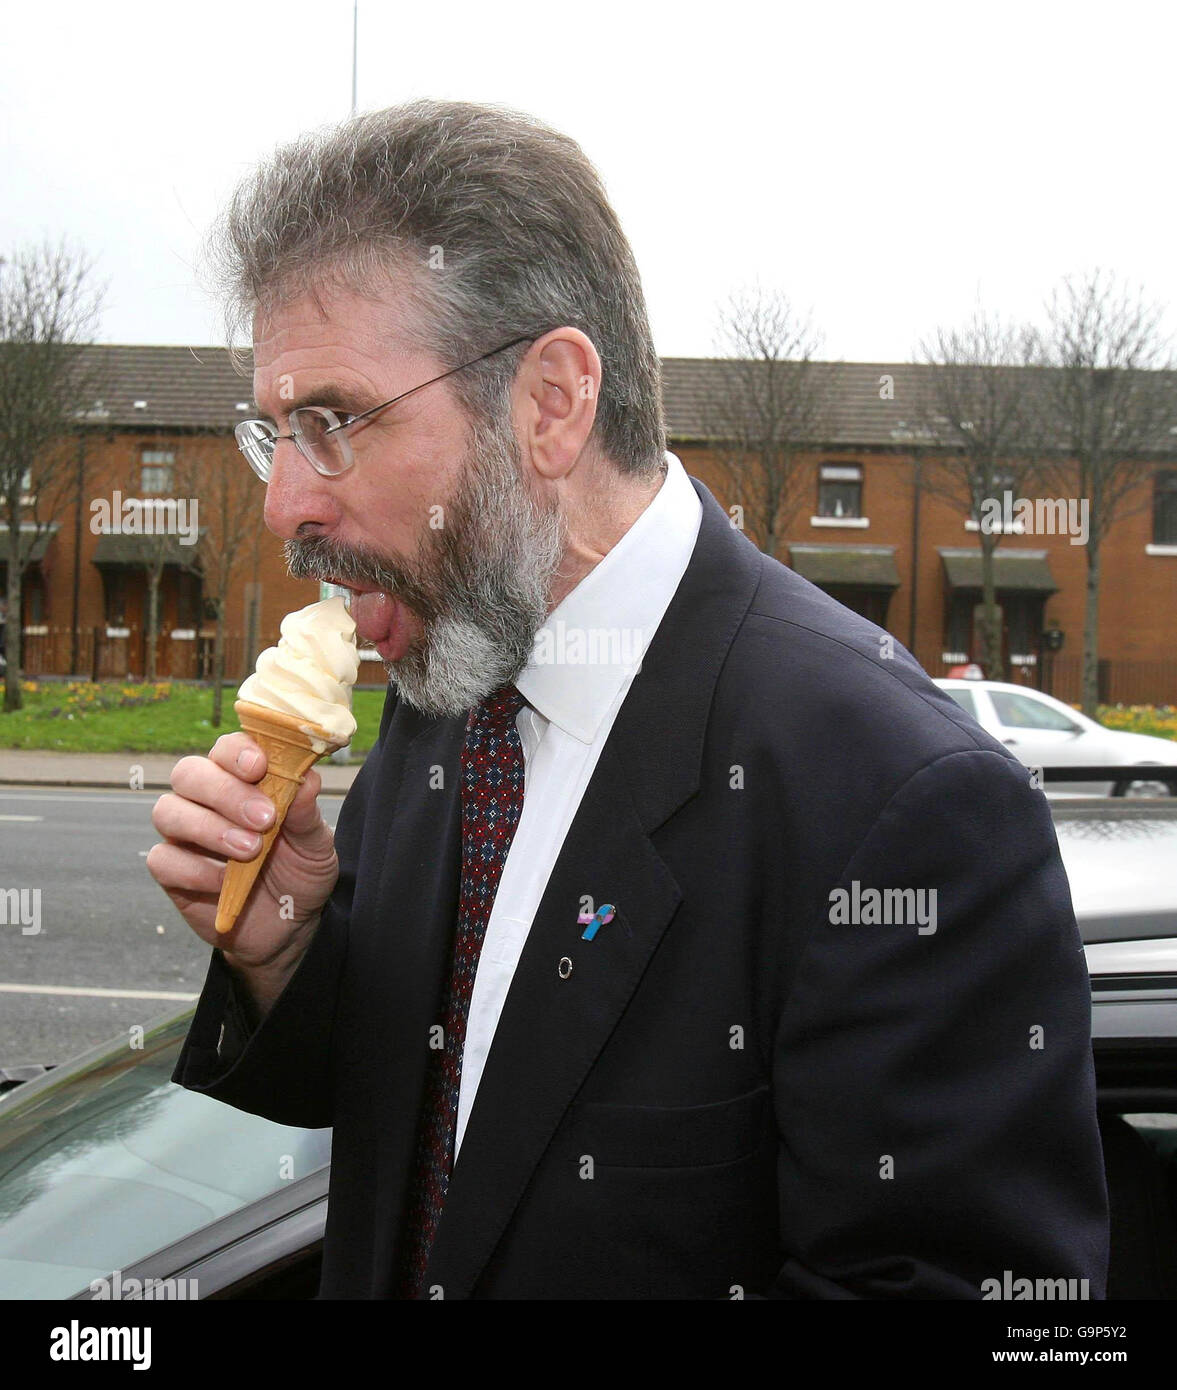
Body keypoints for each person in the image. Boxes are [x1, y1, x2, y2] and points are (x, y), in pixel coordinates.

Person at [150, 99, 1108, 1299]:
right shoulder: (446, 680)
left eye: (333, 423)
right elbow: (435, 1128)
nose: (285, 502)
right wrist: (287, 953)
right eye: (274, 434)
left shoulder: (894, 799)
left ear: (549, 403)